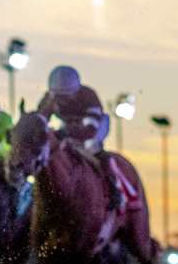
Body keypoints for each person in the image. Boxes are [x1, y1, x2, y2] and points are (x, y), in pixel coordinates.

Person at [36, 65, 121, 210]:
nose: (62, 101)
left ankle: (114, 189)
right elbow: (39, 122)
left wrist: (66, 133)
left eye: (65, 96)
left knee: (92, 147)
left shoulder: (89, 96)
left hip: (96, 125)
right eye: (58, 96)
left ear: (76, 91)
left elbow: (90, 130)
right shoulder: (49, 98)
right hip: (69, 126)